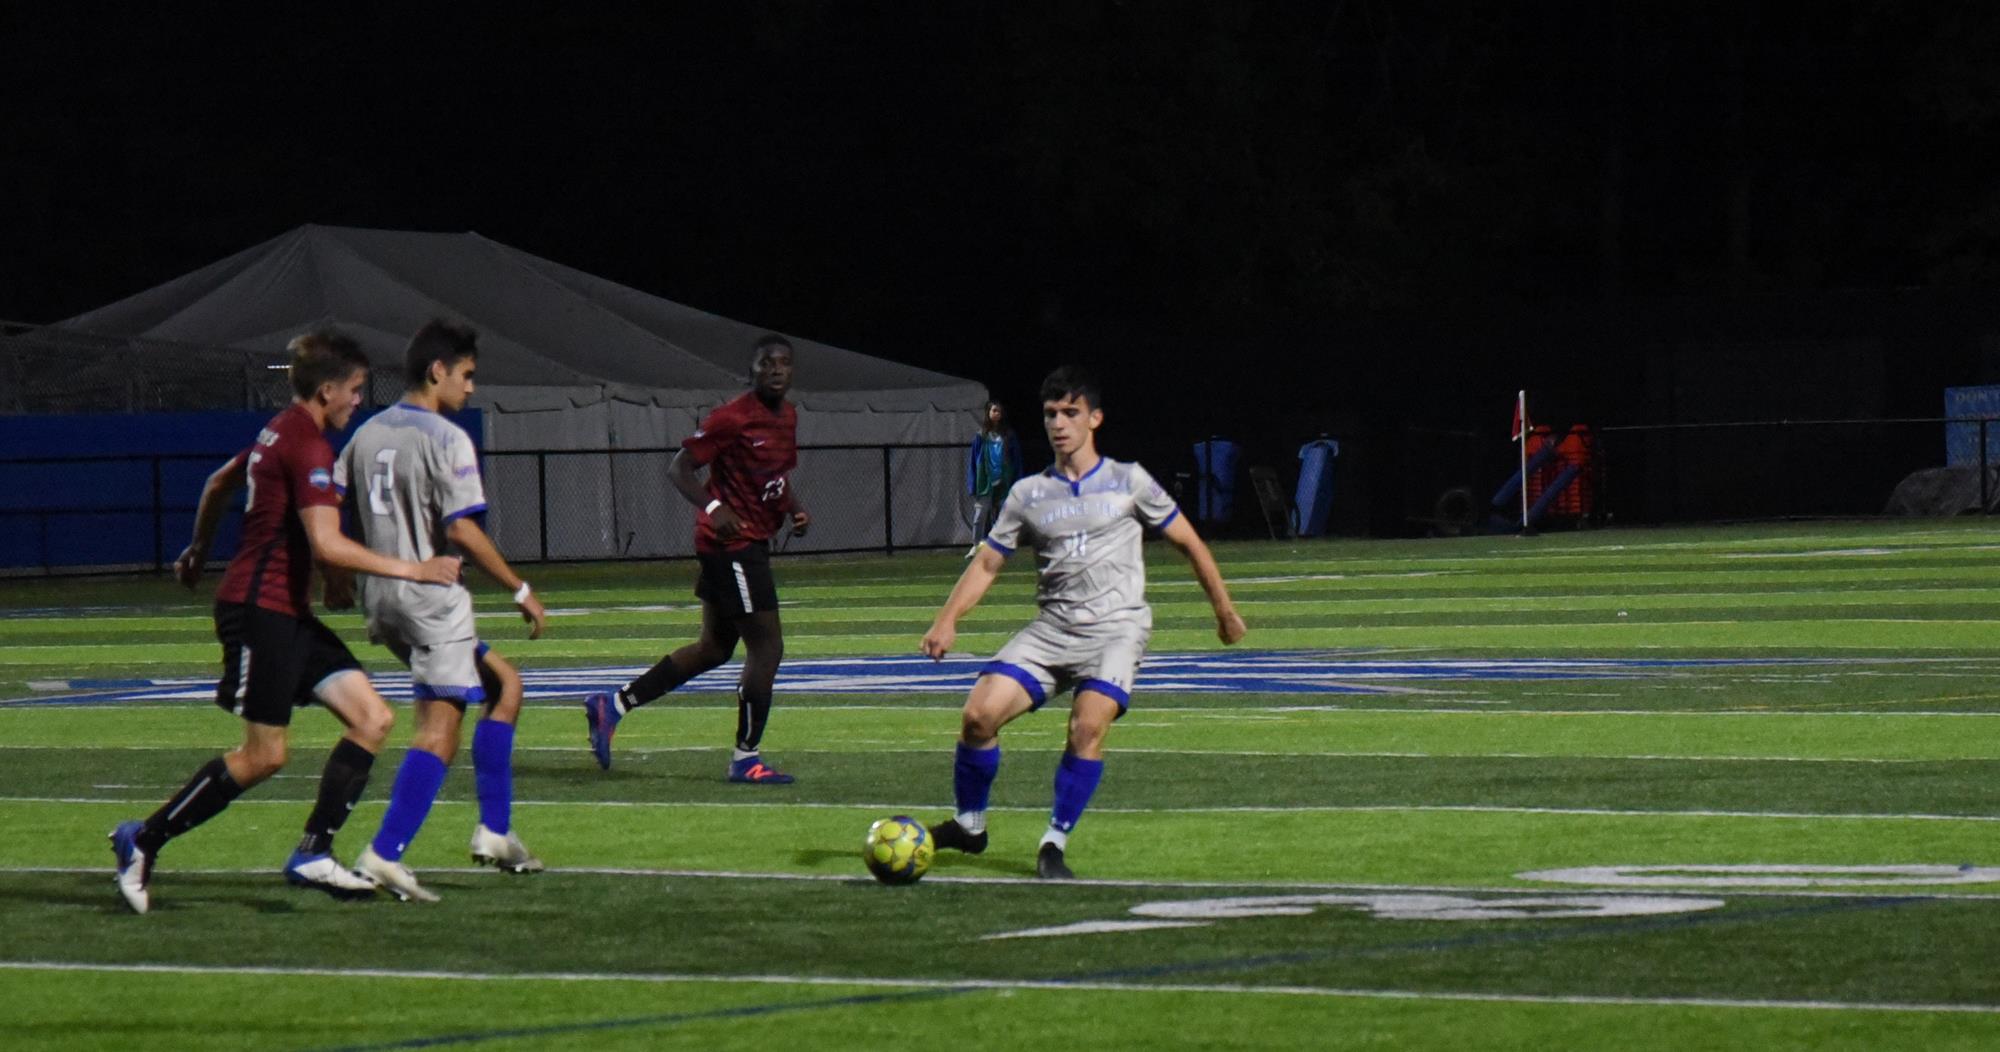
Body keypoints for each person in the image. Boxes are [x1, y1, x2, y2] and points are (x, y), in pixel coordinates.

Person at [109, 329, 461, 914]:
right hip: (259, 612)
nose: (357, 401)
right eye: (353, 390)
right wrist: (415, 570)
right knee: (265, 756)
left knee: (371, 718)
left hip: (286, 613)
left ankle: (314, 852)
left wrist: (198, 546)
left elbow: (219, 482)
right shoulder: (308, 445)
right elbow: (326, 541)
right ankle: (142, 840)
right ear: (326, 390)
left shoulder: (282, 429)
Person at [919, 365, 1246, 879]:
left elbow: (1189, 542)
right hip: (1051, 631)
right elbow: (987, 563)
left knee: (1087, 725)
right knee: (978, 717)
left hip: (1116, 631)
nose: (1059, 423)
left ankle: (1053, 844)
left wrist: (1224, 610)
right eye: (1051, 414)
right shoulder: (1028, 494)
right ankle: (970, 826)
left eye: (1070, 412)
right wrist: (946, 620)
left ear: (1094, 418)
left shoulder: (1128, 481)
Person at [333, 320, 550, 903]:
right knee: (438, 733)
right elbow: (462, 529)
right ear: (438, 371)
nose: (472, 389)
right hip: (430, 599)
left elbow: (328, 510)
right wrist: (520, 589)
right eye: (468, 375)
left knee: (505, 684)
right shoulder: (447, 437)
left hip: (381, 598)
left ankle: (497, 832)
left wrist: (334, 579)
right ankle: (384, 852)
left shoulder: (366, 432)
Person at [584, 334, 811, 783]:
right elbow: (679, 467)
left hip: (746, 544)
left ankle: (612, 706)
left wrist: (793, 508)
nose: (777, 370)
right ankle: (747, 759)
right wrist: (712, 507)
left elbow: (774, 478)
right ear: (752, 370)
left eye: (784, 363)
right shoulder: (732, 417)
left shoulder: (787, 417)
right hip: (733, 546)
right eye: (767, 363)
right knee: (767, 647)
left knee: (714, 648)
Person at [965, 399, 1022, 555]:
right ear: (988, 413)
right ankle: (976, 545)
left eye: (999, 411)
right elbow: (973, 461)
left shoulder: (1008, 435)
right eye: (994, 410)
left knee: (1002, 515)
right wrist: (972, 484)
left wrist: (1016, 479)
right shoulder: (981, 435)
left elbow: (1016, 458)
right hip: (985, 481)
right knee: (980, 515)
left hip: (1003, 480)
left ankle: (1000, 546)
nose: (997, 414)